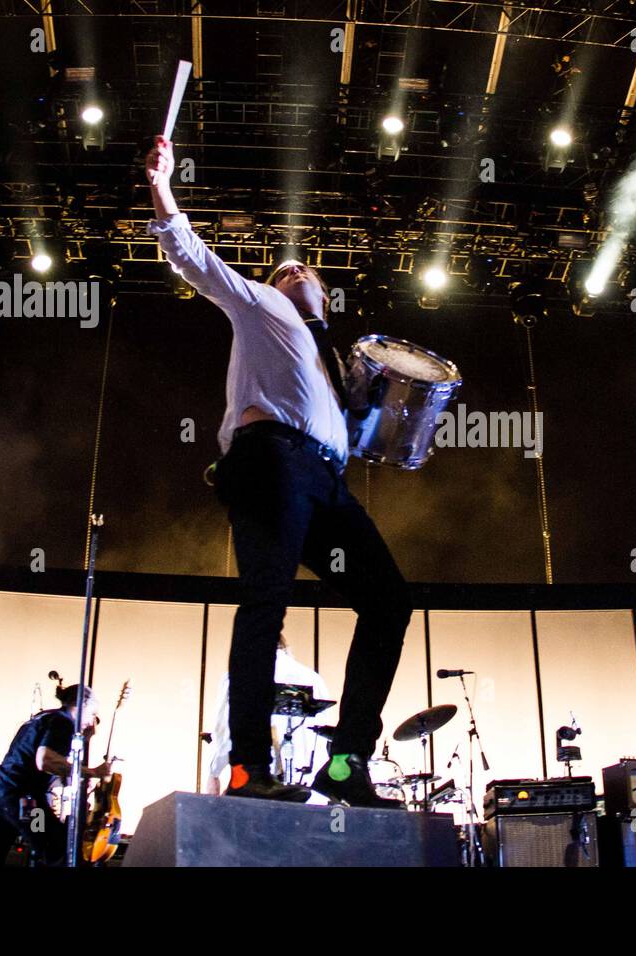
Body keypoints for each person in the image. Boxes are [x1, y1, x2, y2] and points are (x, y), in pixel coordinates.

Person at [146, 135, 411, 806]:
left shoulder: (338, 366)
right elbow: (194, 259)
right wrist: (161, 185)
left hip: (328, 483)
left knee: (388, 600)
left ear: (325, 292)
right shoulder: (262, 309)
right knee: (267, 599)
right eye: (281, 267)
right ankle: (247, 769)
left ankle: (347, 763)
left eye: (303, 268)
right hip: (272, 465)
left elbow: (372, 439)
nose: (290, 268)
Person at [0, 685, 112, 866]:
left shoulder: (43, 718)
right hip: (26, 803)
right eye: (92, 714)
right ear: (81, 705)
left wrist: (85, 741)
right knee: (57, 848)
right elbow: (45, 761)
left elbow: (39, 762)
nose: (92, 721)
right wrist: (93, 772)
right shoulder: (64, 722)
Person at [204, 639, 333, 802]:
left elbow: (226, 730)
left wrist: (214, 772)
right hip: (305, 786)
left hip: (256, 782)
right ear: (286, 648)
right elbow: (322, 735)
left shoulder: (239, 676)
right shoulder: (314, 679)